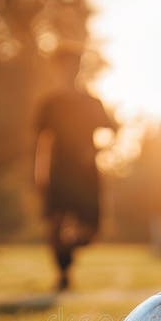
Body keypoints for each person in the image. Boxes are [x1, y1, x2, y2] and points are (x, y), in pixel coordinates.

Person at [34, 46, 117, 290]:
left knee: (91, 231)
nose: (68, 71)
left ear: (79, 68)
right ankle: (63, 273)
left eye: (73, 65)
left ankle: (69, 250)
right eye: (64, 66)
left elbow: (112, 132)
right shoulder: (50, 104)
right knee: (56, 223)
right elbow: (42, 141)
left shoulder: (91, 102)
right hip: (59, 172)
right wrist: (39, 173)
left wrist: (96, 151)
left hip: (86, 174)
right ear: (56, 69)